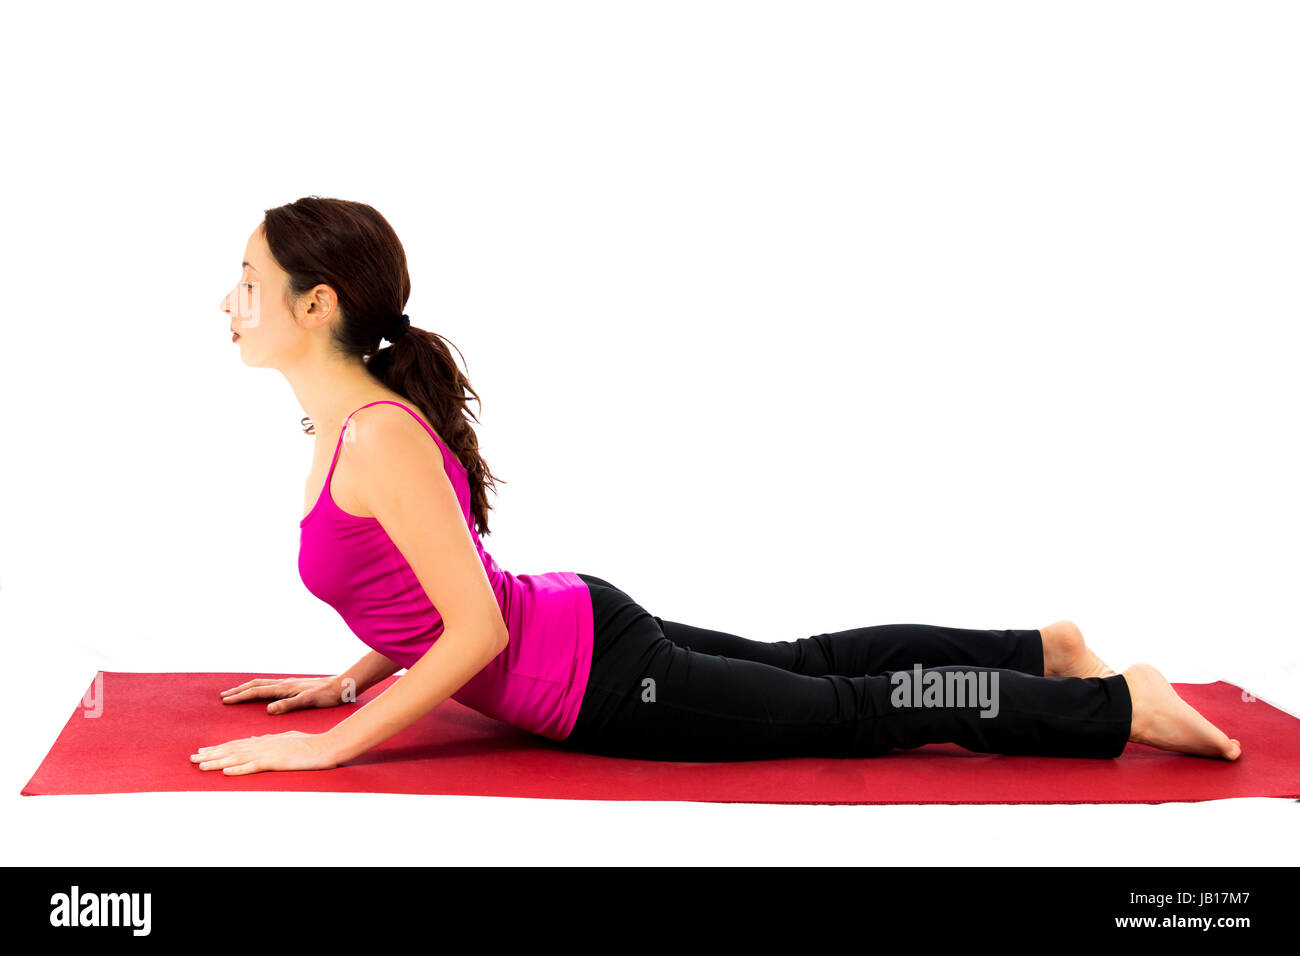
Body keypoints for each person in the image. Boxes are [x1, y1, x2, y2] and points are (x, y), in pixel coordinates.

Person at [195, 196, 1240, 777]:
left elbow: (471, 630)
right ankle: (1043, 648)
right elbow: (430, 586)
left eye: (248, 283)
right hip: (587, 632)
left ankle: (1112, 702)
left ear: (315, 302)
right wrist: (348, 678)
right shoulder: (346, 427)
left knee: (852, 707)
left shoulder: (373, 437)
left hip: (600, 676)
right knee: (814, 664)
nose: (230, 303)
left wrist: (327, 747)